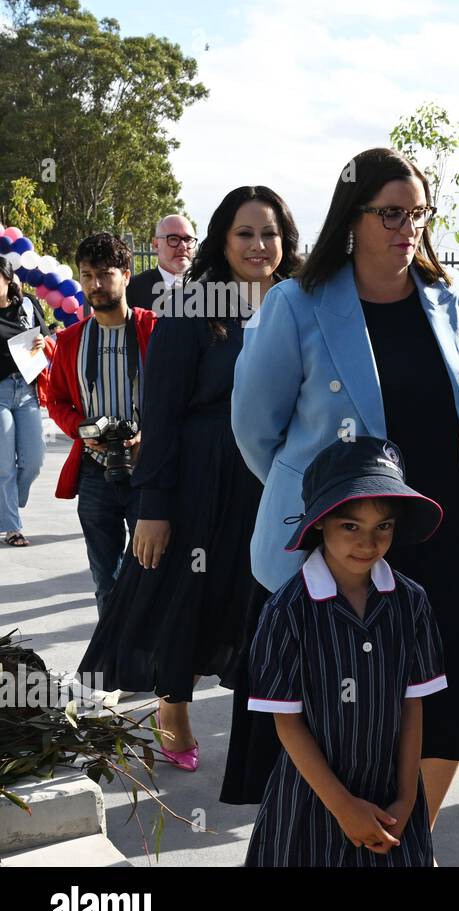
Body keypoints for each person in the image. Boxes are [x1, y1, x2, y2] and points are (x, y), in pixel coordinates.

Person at [228, 148, 459, 836]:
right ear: (353, 216)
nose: (407, 227)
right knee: (336, 715)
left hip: (444, 534)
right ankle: (348, 834)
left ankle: (408, 839)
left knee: (452, 701)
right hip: (348, 544)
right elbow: (255, 430)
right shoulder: (298, 302)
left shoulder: (451, 296)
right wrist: (326, 517)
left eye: (418, 214)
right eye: (390, 214)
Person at [78, 187, 300, 771]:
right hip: (205, 476)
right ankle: (171, 706)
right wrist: (154, 504)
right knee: (186, 594)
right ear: (223, 241)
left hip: (276, 479)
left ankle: (269, 733)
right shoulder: (192, 305)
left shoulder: (301, 301)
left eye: (269, 233)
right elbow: (164, 409)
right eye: (245, 233)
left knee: (259, 598)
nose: (258, 245)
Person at [245, 436, 445, 867]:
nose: (368, 543)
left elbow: (413, 707)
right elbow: (288, 724)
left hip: (392, 805)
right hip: (310, 805)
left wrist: (409, 797)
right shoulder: (287, 610)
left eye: (383, 527)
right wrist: (343, 807)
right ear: (319, 522)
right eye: (350, 526)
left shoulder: (411, 603)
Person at [46, 234, 154, 612]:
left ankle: (149, 659)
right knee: (105, 583)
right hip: (95, 474)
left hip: (147, 470)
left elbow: (178, 398)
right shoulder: (71, 340)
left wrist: (145, 435)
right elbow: (55, 399)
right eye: (87, 275)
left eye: (105, 274)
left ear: (126, 275)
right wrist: (81, 429)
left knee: (149, 576)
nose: (94, 285)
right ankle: (112, 667)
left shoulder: (154, 329)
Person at [0, 258, 51, 547]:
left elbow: (44, 337)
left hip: (27, 390)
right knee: (4, 464)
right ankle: (12, 526)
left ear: (8, 280)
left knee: (34, 461)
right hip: (0, 392)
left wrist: (43, 343)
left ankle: (5, 504)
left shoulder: (27, 306)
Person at [126, 214, 196, 312]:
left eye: (188, 240)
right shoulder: (133, 289)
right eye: (173, 239)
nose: (183, 246)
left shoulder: (211, 288)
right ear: (156, 245)